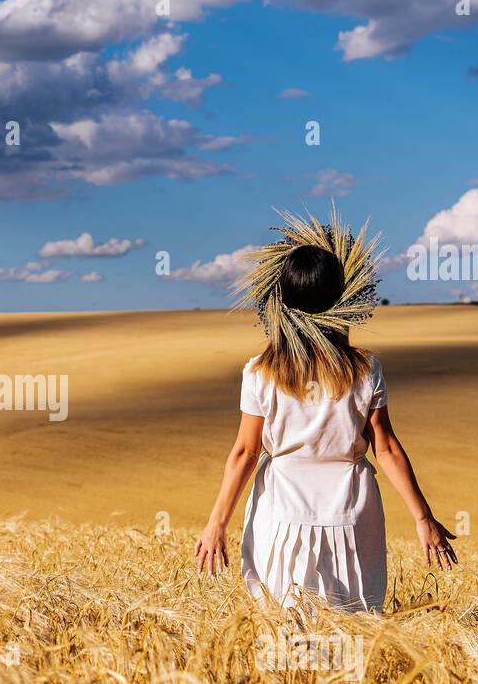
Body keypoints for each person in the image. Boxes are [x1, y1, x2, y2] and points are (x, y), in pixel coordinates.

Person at [193, 210, 457, 612]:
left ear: (281, 300)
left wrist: (217, 524)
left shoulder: (260, 372)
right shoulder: (365, 369)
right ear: (341, 300)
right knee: (354, 623)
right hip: (351, 515)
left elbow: (245, 453)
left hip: (280, 512)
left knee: (283, 626)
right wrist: (423, 518)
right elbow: (385, 449)